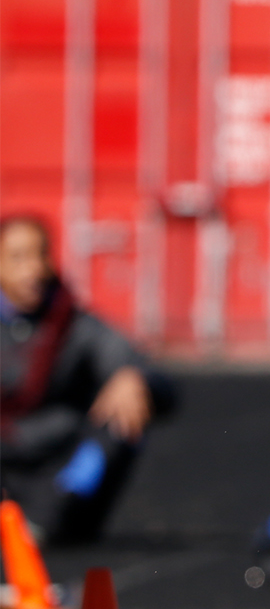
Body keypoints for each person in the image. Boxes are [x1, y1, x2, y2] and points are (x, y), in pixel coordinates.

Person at [0, 214, 179, 544]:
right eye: (18, 257)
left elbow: (156, 381)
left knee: (120, 418)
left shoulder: (74, 326)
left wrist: (136, 379)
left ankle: (46, 521)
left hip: (59, 468)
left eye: (41, 255)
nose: (34, 269)